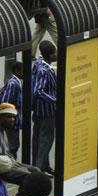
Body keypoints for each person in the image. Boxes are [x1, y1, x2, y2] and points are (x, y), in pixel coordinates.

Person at [29, 41, 58, 169]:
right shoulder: (45, 70)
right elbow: (39, 90)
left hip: (38, 110)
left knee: (38, 138)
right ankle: (39, 167)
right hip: (47, 111)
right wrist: (54, 100)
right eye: (55, 53)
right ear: (51, 55)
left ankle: (43, 165)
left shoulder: (39, 62)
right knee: (45, 140)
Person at [0, 101, 25, 180]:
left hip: (4, 164)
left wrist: (24, 166)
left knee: (34, 171)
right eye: (9, 117)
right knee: (29, 176)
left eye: (13, 117)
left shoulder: (2, 129)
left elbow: (7, 154)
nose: (12, 120)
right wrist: (21, 168)